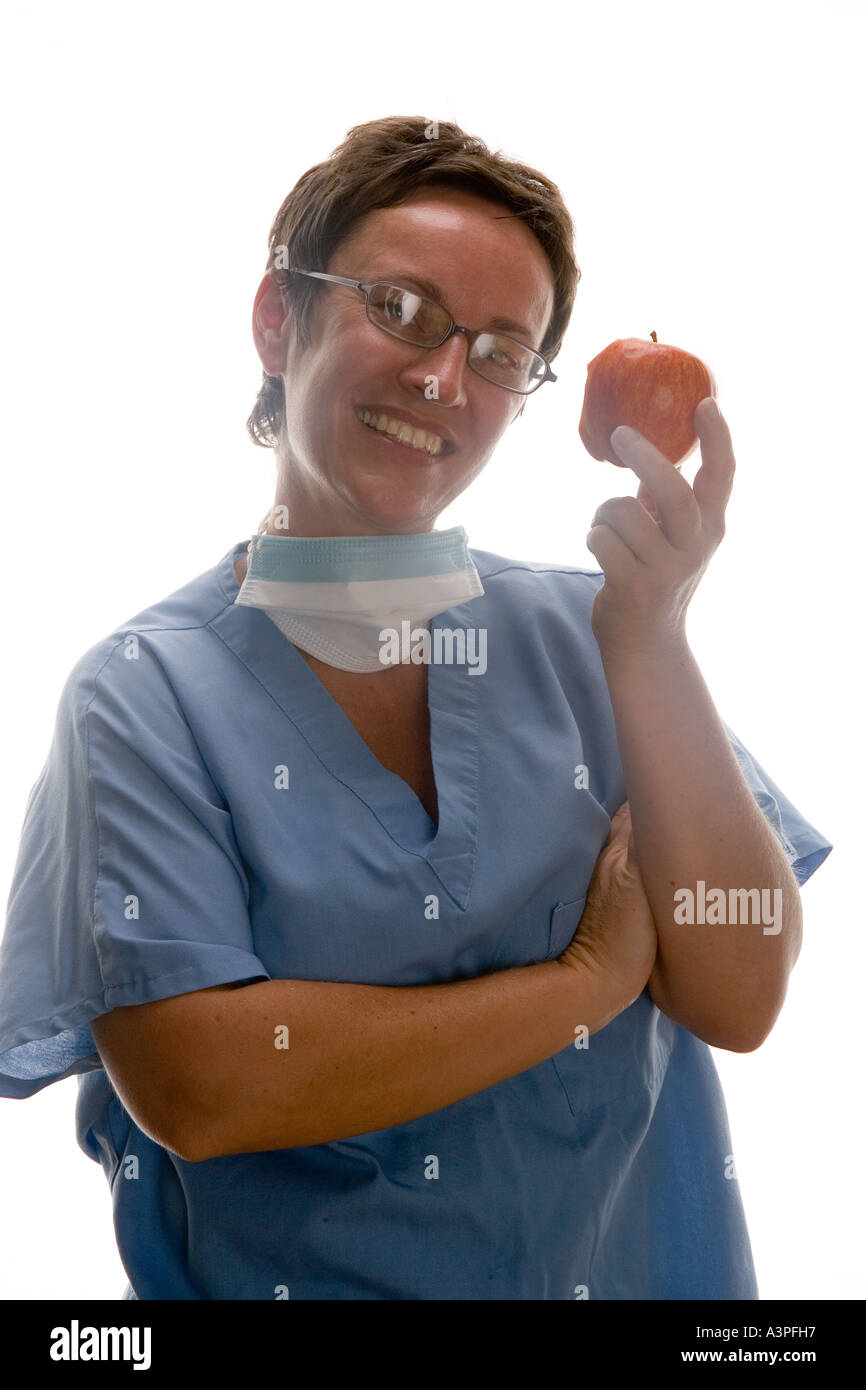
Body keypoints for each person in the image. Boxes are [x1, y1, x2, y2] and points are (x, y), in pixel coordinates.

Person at [0, 115, 832, 1301]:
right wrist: (585, 983)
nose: (442, 378)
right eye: (398, 310)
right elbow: (204, 1085)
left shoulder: (594, 636)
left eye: (502, 350)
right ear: (277, 321)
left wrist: (652, 641)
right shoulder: (145, 694)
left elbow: (738, 992)